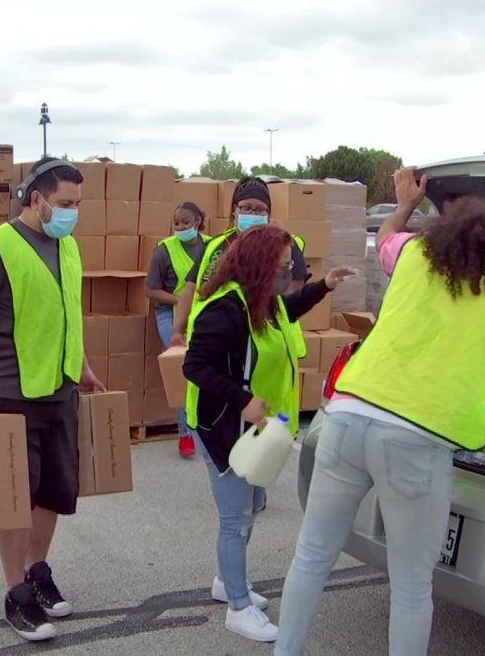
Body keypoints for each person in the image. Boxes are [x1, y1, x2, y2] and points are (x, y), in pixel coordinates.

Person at [275, 168, 485, 656]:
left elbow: (385, 234)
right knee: (411, 586)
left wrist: (405, 201)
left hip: (346, 417)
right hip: (412, 445)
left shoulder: (413, 255)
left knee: (311, 555)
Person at [0, 157, 107, 643]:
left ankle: (37, 569)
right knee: (15, 497)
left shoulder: (68, 247)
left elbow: (67, 312)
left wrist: (81, 366)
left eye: (78, 205)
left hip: (59, 386)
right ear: (35, 199)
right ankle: (15, 591)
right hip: (11, 387)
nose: (72, 213)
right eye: (64, 203)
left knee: (53, 493)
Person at [182, 224, 356, 643]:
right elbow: (195, 366)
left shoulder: (264, 303)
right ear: (260, 265)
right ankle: (237, 607)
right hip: (224, 426)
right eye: (281, 266)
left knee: (253, 504)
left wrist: (324, 287)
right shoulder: (224, 309)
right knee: (235, 518)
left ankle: (228, 581)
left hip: (256, 428)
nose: (287, 272)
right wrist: (242, 399)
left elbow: (290, 309)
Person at [170, 177, 308, 346]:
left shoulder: (286, 246)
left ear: (268, 214)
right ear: (235, 210)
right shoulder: (215, 246)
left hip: (271, 341)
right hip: (216, 338)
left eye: (259, 210)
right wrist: (177, 331)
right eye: (246, 208)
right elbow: (191, 290)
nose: (253, 214)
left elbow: (294, 294)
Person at [145, 201, 210, 458]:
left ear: (198, 221)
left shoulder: (211, 245)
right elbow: (150, 289)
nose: (181, 227)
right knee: (183, 369)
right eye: (177, 223)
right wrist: (181, 300)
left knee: (205, 369)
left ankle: (204, 428)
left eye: (186, 222)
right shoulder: (163, 250)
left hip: (204, 313)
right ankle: (185, 434)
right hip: (169, 314)